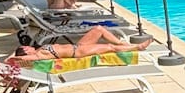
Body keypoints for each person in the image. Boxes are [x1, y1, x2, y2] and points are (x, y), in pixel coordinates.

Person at [13, 25, 153, 61]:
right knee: (109, 47)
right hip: (78, 52)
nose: (27, 45)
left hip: (78, 46)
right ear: (26, 51)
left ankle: (124, 45)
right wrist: (13, 56)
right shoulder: (38, 55)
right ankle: (137, 47)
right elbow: (17, 58)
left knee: (98, 29)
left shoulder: (40, 49)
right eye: (25, 47)